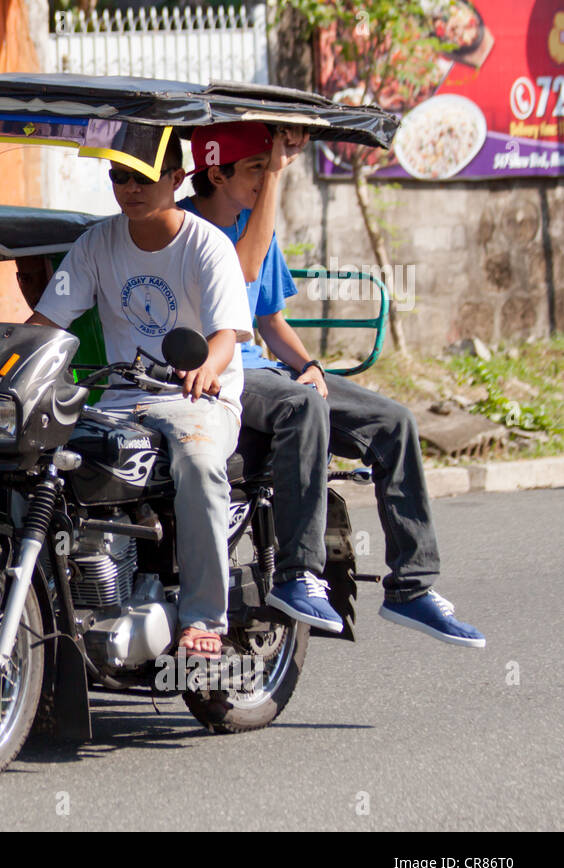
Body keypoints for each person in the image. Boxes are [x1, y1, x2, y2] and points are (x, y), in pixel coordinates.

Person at [181, 121, 484, 647]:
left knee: (394, 423)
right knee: (301, 406)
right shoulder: (185, 228)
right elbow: (245, 272)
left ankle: (412, 586)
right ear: (215, 172)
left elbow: (269, 318)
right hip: (221, 372)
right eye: (255, 168)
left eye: (265, 167)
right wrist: (274, 174)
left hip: (267, 368)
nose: (267, 176)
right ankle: (300, 573)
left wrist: (309, 364)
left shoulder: (256, 219)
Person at [28, 135, 253, 659]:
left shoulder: (207, 244)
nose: (129, 189)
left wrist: (204, 369)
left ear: (176, 179)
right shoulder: (96, 244)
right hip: (119, 402)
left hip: (197, 400)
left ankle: (203, 617)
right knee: (34, 458)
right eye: (119, 178)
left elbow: (226, 335)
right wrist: (3, 360)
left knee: (197, 463)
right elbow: (47, 322)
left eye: (142, 178)